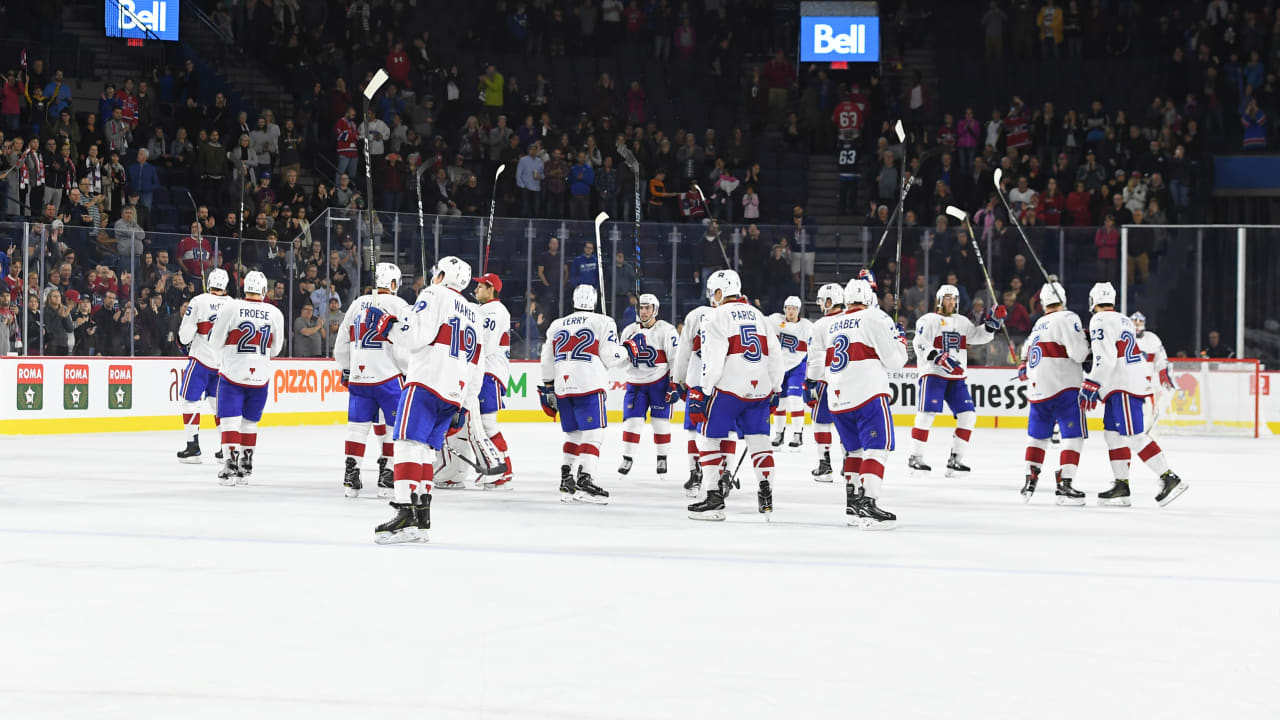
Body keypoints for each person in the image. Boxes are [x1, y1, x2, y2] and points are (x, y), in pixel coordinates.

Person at [375, 257, 485, 544]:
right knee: (425, 450)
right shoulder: (475, 313)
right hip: (454, 393)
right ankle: (422, 514)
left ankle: (405, 514)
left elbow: (414, 336)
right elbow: (478, 366)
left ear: (443, 275)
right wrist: (463, 402)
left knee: (406, 443)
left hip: (426, 382)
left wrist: (389, 327)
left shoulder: (434, 293)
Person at [686, 269, 784, 521]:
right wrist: (776, 388)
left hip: (729, 389)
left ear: (720, 292)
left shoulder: (715, 316)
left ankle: (713, 499)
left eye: (712, 292)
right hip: (760, 389)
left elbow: (713, 360)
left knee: (708, 438)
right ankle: (766, 493)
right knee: (760, 441)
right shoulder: (759, 315)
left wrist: (704, 391)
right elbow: (776, 355)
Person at [1081, 282, 1188, 507]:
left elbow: (1106, 358)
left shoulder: (1099, 319)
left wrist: (1091, 383)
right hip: (1121, 384)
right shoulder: (1123, 319)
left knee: (1134, 435)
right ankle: (1122, 485)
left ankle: (1169, 478)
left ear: (1093, 300)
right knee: (1113, 435)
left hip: (1123, 385)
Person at [819, 278, 909, 528]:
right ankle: (868, 501)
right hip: (867, 394)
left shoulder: (832, 323)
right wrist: (900, 339)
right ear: (870, 299)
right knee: (876, 448)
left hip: (837, 398)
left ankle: (853, 504)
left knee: (854, 451)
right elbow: (895, 361)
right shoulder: (876, 317)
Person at [539, 284, 627, 503]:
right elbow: (611, 357)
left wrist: (549, 385)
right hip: (589, 383)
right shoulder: (603, 321)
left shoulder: (557, 324)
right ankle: (586, 480)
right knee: (594, 433)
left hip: (562, 385)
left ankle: (566, 481)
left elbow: (546, 359)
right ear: (595, 301)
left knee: (574, 434)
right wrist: (626, 349)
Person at [908, 284, 1006, 475]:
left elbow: (978, 336)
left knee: (968, 416)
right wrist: (938, 357)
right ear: (939, 300)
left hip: (957, 377)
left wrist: (992, 324)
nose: (951, 302)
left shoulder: (962, 322)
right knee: (927, 414)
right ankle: (915, 458)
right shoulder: (928, 320)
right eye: (947, 298)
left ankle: (955, 460)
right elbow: (919, 343)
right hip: (934, 374)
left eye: (954, 298)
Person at [333, 263, 412, 499]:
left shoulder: (357, 303)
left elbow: (341, 344)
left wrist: (347, 369)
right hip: (388, 378)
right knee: (391, 428)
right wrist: (408, 370)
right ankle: (386, 476)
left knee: (357, 428)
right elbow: (403, 347)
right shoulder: (400, 305)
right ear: (394, 284)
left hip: (359, 377)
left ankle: (351, 476)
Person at [207, 271, 285, 485]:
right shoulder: (274, 312)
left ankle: (230, 465)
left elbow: (214, 341)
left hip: (233, 372)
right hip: (260, 375)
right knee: (250, 423)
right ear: (262, 291)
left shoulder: (231, 307)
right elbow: (276, 349)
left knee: (230, 421)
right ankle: (246, 466)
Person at [1016, 281, 1088, 504]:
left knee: (1037, 437)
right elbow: (1079, 354)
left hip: (1037, 389)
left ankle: (1030, 478)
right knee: (1073, 437)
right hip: (1063, 387)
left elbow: (1025, 350)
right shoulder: (1067, 318)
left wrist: (1022, 364)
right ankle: (1065, 483)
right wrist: (1087, 342)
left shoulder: (1038, 324)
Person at [617, 293, 680, 482]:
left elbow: (675, 359)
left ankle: (662, 458)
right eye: (641, 308)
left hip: (659, 383)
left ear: (655, 310)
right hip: (635, 384)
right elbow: (620, 363)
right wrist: (620, 353)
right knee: (632, 422)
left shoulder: (667, 330)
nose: (644, 312)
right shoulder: (629, 331)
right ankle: (627, 458)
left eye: (648, 308)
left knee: (660, 422)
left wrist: (674, 383)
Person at [175, 268, 230, 463]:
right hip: (223, 364)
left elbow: (185, 335)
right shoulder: (232, 304)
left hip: (200, 360)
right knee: (219, 406)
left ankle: (193, 447)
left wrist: (182, 342)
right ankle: (226, 449)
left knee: (189, 402)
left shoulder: (199, 301)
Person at [671, 286, 716, 497]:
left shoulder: (697, 314)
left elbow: (683, 352)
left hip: (698, 381)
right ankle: (720, 474)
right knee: (724, 431)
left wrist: (678, 379)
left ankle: (696, 473)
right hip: (723, 384)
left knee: (693, 429)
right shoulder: (737, 315)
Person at [473, 272, 514, 489]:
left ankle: (504, 470)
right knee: (478, 425)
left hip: (489, 373)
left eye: (481, 286)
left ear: (491, 290)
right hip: (483, 373)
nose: (477, 289)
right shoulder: (483, 310)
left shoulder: (495, 311)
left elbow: (486, 346)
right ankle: (493, 467)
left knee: (488, 424)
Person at [803, 283, 845, 483]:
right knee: (848, 423)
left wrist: (810, 382)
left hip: (828, 380)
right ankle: (850, 461)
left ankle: (824, 464)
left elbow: (817, 359)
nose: (820, 305)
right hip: (852, 381)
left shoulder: (819, 325)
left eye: (822, 301)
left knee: (821, 421)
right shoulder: (853, 319)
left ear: (829, 301)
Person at [768, 296, 813, 449]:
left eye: (794, 308)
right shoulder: (775, 320)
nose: (791, 311)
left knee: (794, 398)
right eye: (788, 308)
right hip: (779, 366)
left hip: (797, 366)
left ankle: (797, 434)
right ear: (784, 309)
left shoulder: (806, 326)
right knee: (780, 401)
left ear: (798, 310)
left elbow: (814, 348)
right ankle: (779, 433)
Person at [1130, 311, 1175, 433]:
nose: (1137, 325)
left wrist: (1163, 373)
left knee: (1150, 410)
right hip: (1128, 383)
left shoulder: (1152, 339)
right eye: (1135, 321)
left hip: (1146, 384)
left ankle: (1144, 436)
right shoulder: (1125, 338)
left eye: (1140, 322)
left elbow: (1161, 359)